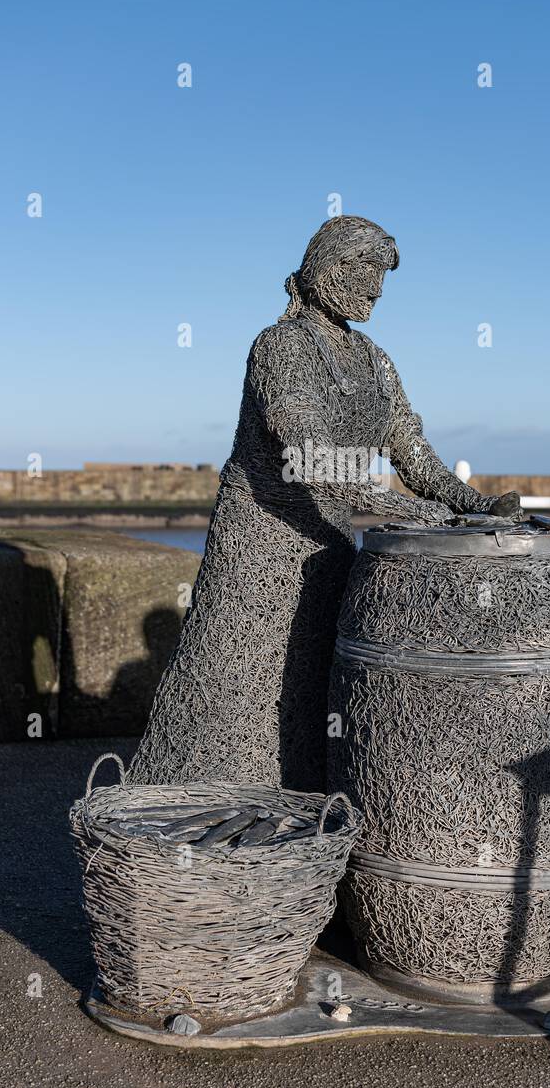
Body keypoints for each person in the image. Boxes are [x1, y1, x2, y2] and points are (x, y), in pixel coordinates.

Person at [128, 216, 520, 791]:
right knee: (242, 693)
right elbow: (310, 459)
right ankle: (215, 816)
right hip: (259, 549)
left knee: (314, 685)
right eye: (364, 271)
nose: (377, 288)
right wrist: (411, 513)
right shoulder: (278, 347)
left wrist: (472, 504)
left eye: (382, 276)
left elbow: (411, 451)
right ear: (327, 269)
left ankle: (304, 816)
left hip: (327, 543)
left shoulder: (375, 361)